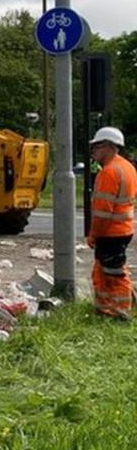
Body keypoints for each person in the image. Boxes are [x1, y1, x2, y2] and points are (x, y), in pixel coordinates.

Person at [87, 127, 137, 320]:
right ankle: (105, 309)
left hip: (111, 232)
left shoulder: (109, 172)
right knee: (103, 271)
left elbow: (102, 213)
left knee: (114, 274)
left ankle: (121, 311)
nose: (93, 150)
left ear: (109, 146)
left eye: (97, 146)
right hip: (123, 230)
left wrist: (93, 235)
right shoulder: (127, 167)